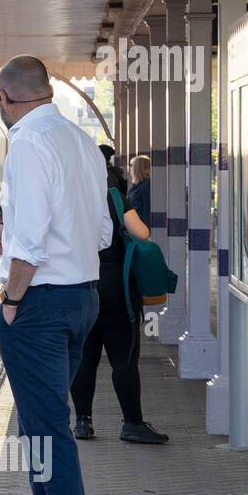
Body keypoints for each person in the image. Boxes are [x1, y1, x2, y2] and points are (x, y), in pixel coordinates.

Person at [0, 55, 110, 495]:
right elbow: (97, 233)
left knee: (49, 434)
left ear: (5, 98)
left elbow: (28, 243)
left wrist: (12, 300)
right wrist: (24, 241)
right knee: (38, 427)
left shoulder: (26, 144)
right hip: (82, 300)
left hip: (39, 308)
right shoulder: (79, 140)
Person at [69, 167, 168, 444]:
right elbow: (142, 233)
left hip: (80, 285)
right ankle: (132, 423)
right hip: (115, 289)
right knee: (123, 357)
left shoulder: (68, 196)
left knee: (85, 358)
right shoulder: (113, 197)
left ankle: (82, 422)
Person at [126, 154, 152, 227]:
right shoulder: (138, 185)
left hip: (140, 226)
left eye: (132, 166)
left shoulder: (146, 186)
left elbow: (147, 210)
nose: (130, 170)